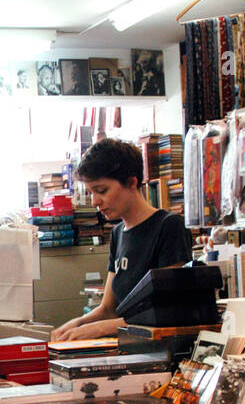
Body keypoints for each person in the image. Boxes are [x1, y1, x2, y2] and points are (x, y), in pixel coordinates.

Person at [53, 138, 193, 341]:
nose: (95, 202)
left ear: (131, 182)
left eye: (102, 191)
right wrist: (76, 324)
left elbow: (166, 311)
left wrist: (100, 329)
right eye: (91, 193)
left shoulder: (168, 226)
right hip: (126, 348)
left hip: (159, 353)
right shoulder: (118, 234)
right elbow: (108, 309)